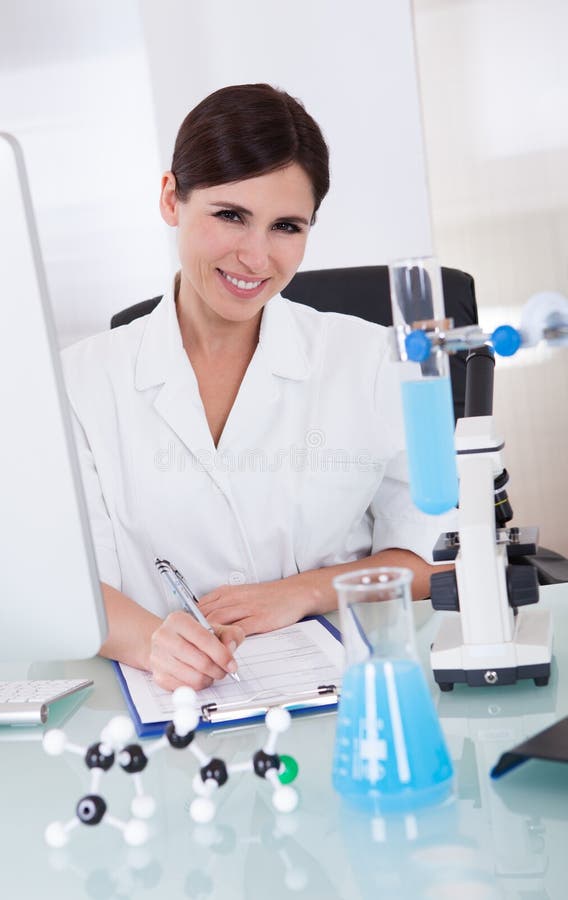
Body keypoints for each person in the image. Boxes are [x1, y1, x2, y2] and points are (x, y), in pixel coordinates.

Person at [62, 83, 454, 692]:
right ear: (171, 199)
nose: (255, 257)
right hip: (170, 708)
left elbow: (439, 552)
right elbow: (67, 578)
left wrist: (300, 593)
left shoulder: (373, 359)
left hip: (348, 698)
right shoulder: (82, 381)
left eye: (286, 226)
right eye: (229, 215)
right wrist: (152, 642)